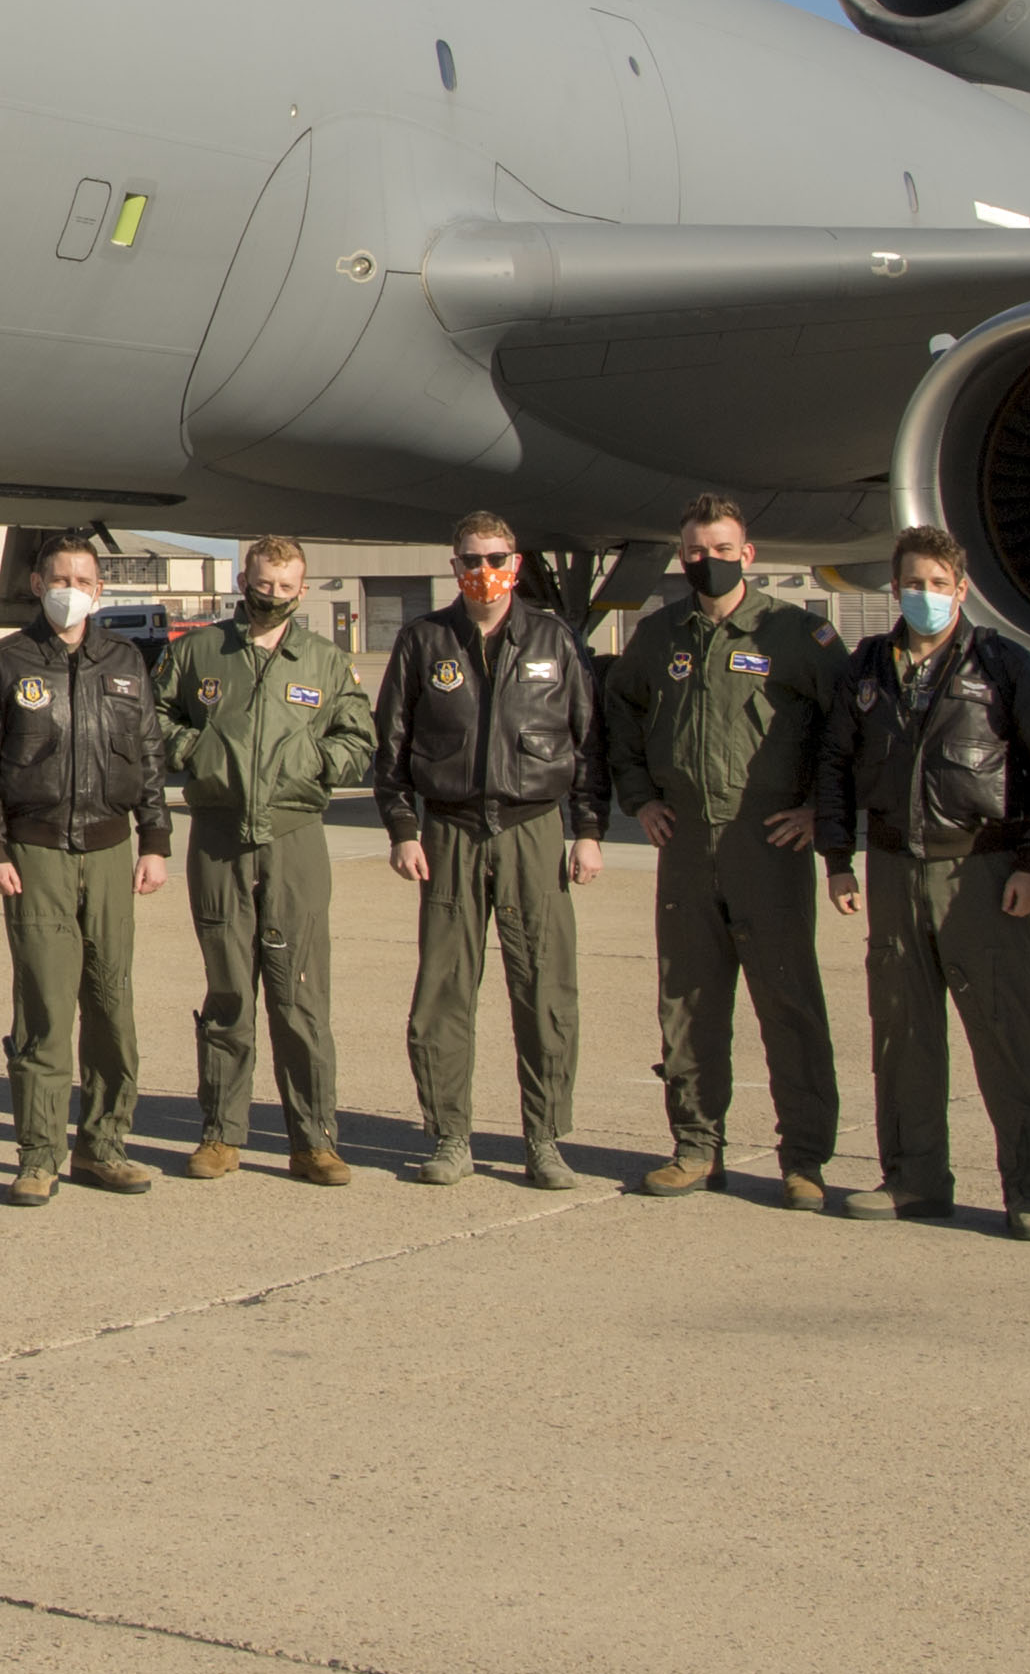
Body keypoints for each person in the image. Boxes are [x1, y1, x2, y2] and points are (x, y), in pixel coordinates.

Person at [814, 524, 1030, 1237]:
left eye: (937, 584)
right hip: (893, 867)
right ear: (892, 589)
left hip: (981, 869)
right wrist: (838, 858)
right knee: (902, 1034)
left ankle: (1028, 1188)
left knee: (1007, 1034)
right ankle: (915, 1177)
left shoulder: (1002, 664)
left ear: (960, 589)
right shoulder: (868, 667)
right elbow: (834, 764)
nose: (924, 596)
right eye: (912, 584)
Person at [604, 496, 847, 1205]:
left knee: (789, 1006)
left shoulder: (797, 635)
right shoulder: (658, 637)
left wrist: (818, 812)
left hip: (766, 846)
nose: (707, 561)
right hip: (686, 846)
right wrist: (640, 798)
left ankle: (803, 1159)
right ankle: (696, 1146)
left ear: (749, 554)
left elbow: (848, 735)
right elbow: (620, 714)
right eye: (695, 551)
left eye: (721, 548)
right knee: (688, 1004)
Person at [378, 514, 609, 1190]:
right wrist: (401, 828)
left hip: (532, 828)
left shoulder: (554, 639)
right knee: (443, 994)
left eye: (497, 558)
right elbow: (390, 743)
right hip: (448, 830)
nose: (485, 571)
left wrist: (588, 828)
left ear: (516, 560)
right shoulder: (425, 640)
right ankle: (450, 1136)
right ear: (454, 566)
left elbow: (586, 741)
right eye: (471, 559)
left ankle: (544, 1140)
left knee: (545, 990)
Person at [0, 538, 175, 1204]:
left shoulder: (124, 661)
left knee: (112, 1004)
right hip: (35, 852)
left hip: (112, 849)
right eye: (60, 577)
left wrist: (156, 840)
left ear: (101, 588)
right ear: (36, 582)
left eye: (83, 578)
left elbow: (147, 756)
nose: (71, 587)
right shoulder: (4, 664)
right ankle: (38, 1153)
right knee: (46, 1008)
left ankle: (105, 1146)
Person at [161, 533, 376, 1181]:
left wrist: (316, 765)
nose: (272, 595)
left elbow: (358, 737)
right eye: (263, 583)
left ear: (302, 590)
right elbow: (152, 721)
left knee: (300, 995)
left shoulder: (324, 662)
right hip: (220, 839)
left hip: (294, 840)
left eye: (285, 587)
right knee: (229, 991)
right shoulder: (198, 653)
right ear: (242, 579)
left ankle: (314, 1138)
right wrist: (196, 754)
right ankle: (222, 1133)